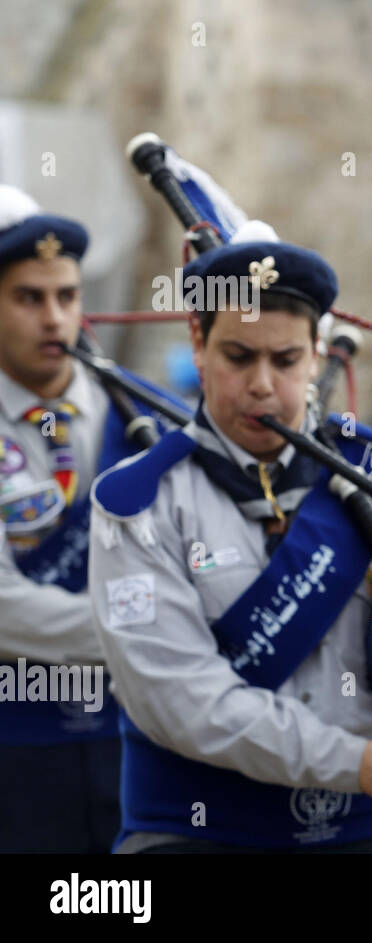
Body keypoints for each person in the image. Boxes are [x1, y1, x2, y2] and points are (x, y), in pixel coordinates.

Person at [88, 227, 372, 852]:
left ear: (316, 355)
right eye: (239, 356)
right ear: (197, 345)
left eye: (285, 360)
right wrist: (351, 760)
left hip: (370, 830)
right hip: (197, 834)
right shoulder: (138, 500)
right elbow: (178, 698)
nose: (262, 384)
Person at [0, 185, 180, 852]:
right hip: (18, 746)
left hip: (138, 739)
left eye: (67, 296)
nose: (54, 318)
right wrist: (157, 630)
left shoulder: (135, 414)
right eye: (28, 297)